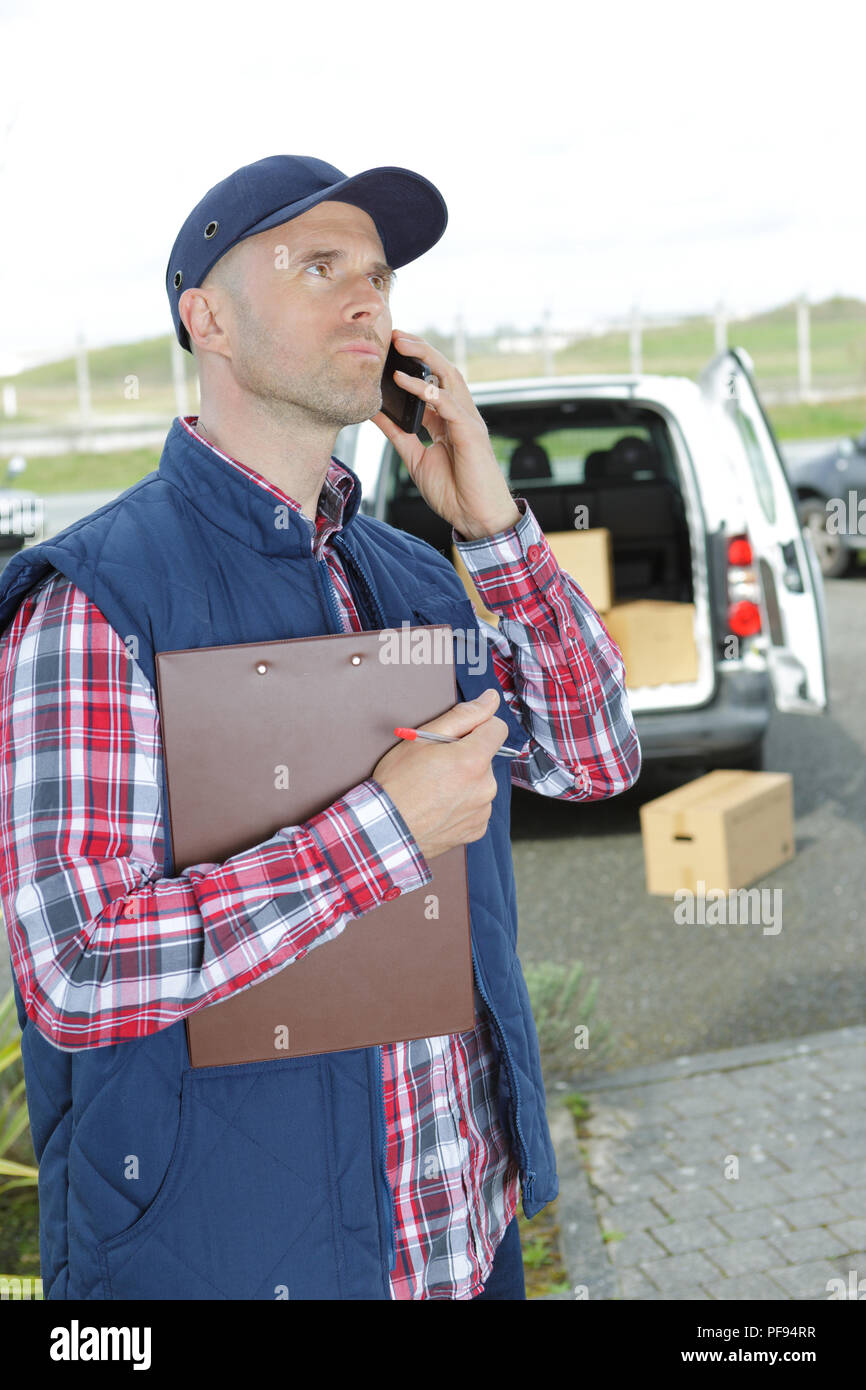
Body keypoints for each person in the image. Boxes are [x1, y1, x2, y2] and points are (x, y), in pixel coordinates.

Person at [0, 155, 641, 1301]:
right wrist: (385, 830)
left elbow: (592, 757)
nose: (369, 300)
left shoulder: (417, 580)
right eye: (318, 266)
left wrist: (492, 527)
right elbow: (78, 965)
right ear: (210, 321)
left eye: (380, 277)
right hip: (239, 1257)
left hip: (458, 1245)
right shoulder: (96, 599)